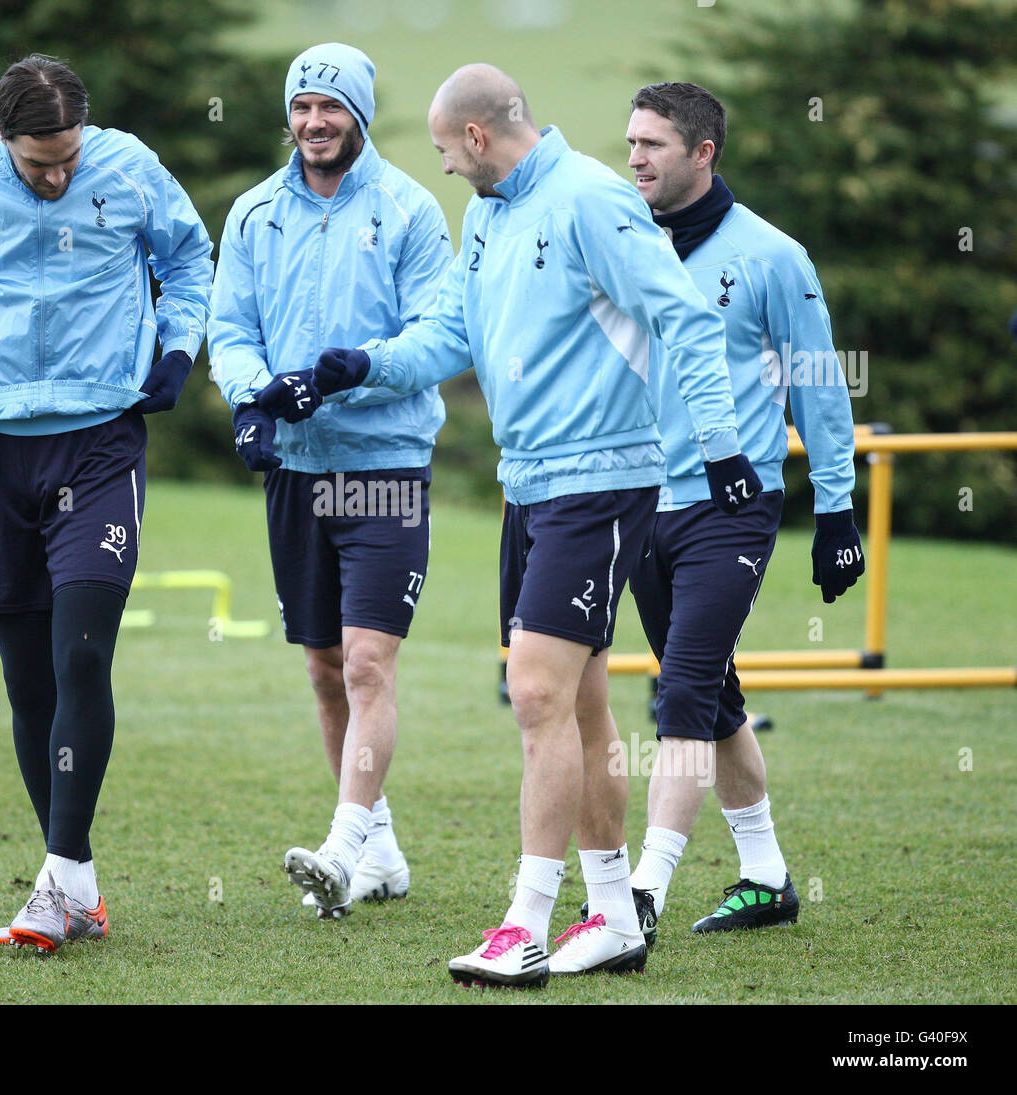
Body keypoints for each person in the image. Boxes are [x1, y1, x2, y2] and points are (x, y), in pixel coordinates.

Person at [311, 64, 762, 986]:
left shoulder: (592, 199)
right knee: (582, 704)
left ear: (477, 136)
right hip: (532, 486)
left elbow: (684, 319)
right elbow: (451, 336)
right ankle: (611, 914)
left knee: (537, 694)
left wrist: (719, 447)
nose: (441, 168)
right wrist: (358, 365)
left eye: (443, 151)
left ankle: (525, 920)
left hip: (599, 484)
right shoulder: (488, 216)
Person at [0, 55, 213, 953]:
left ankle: (51, 890)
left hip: (101, 443)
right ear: (2, 138)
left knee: (83, 659)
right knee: (28, 682)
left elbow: (189, 258)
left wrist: (177, 352)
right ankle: (77, 880)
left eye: (66, 158)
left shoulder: (130, 166)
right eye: (36, 163)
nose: (55, 176)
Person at [567, 82, 863, 947]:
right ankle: (767, 876)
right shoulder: (622, 246)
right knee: (717, 694)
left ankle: (644, 890)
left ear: (703, 153)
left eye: (654, 144)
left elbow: (819, 387)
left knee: (684, 690)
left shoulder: (773, 257)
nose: (635, 159)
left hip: (730, 509)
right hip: (635, 503)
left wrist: (837, 510)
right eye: (630, 143)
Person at [208, 43, 453, 919]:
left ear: (359, 114)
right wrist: (249, 402)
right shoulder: (252, 213)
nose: (316, 122)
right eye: (304, 107)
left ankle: (343, 848)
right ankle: (382, 845)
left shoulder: (410, 210)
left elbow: (441, 337)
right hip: (298, 474)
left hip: (383, 466)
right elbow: (229, 327)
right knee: (321, 666)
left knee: (367, 662)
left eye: (333, 107)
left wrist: (350, 369)